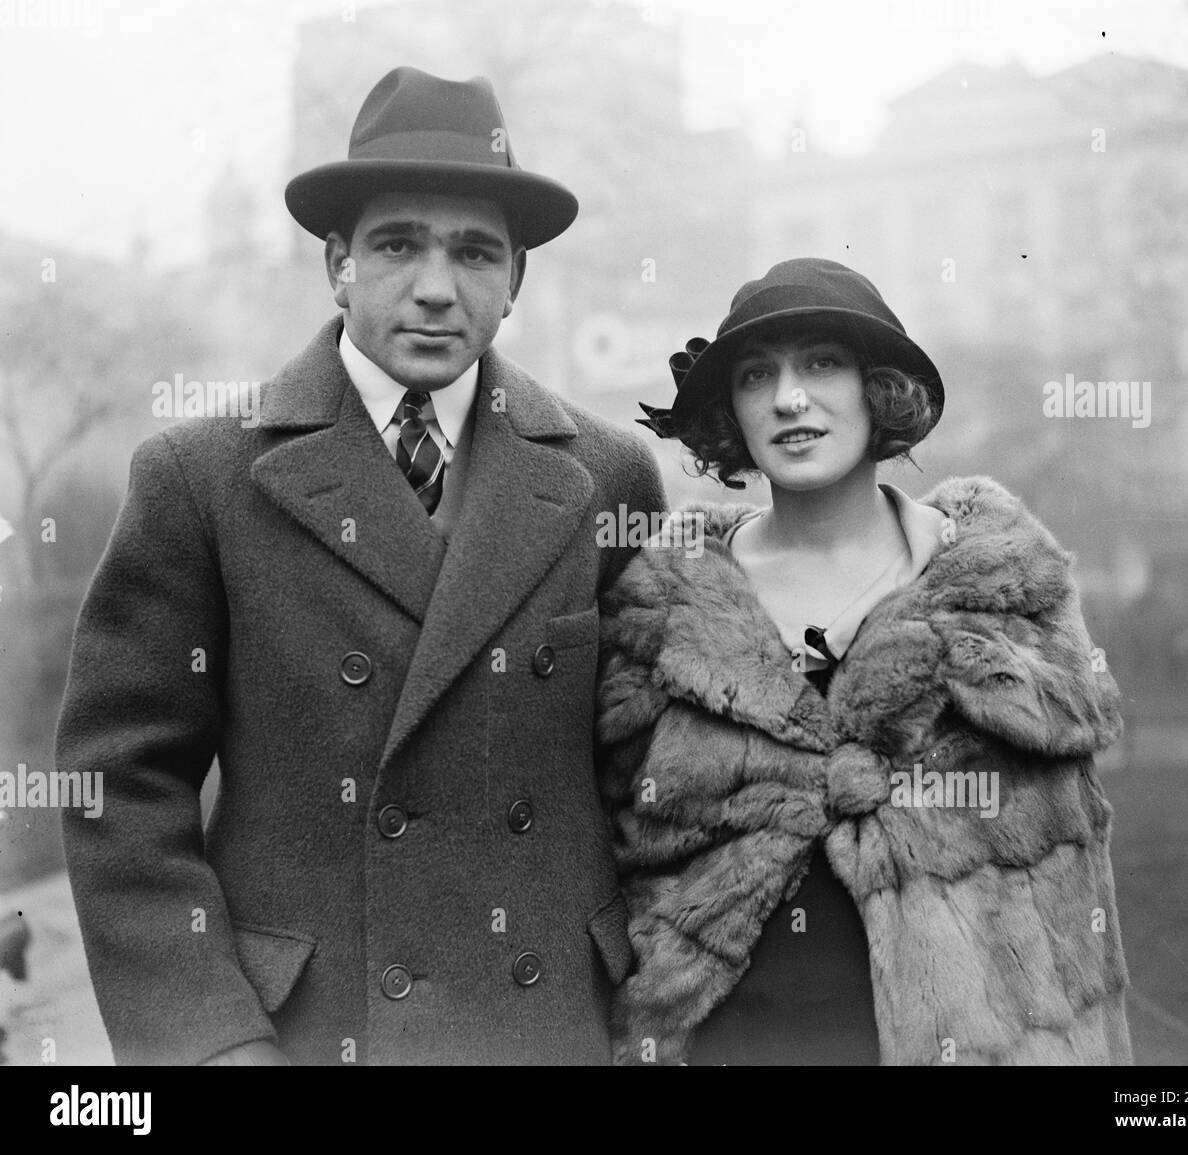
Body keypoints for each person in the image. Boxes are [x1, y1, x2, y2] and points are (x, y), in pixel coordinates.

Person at [56, 67, 665, 1065]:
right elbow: (119, 787)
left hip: (555, 1023)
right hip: (310, 1031)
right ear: (337, 264)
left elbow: (649, 780)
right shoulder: (203, 476)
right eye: (396, 246)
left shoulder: (608, 475)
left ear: (516, 281)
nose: (436, 286)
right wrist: (209, 1043)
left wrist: (655, 1018)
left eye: (475, 252)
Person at [597, 257, 1132, 1065]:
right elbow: (625, 860)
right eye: (755, 375)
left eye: (821, 363)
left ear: (878, 387)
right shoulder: (665, 611)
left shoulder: (1000, 591)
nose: (788, 398)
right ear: (731, 410)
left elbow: (1075, 916)